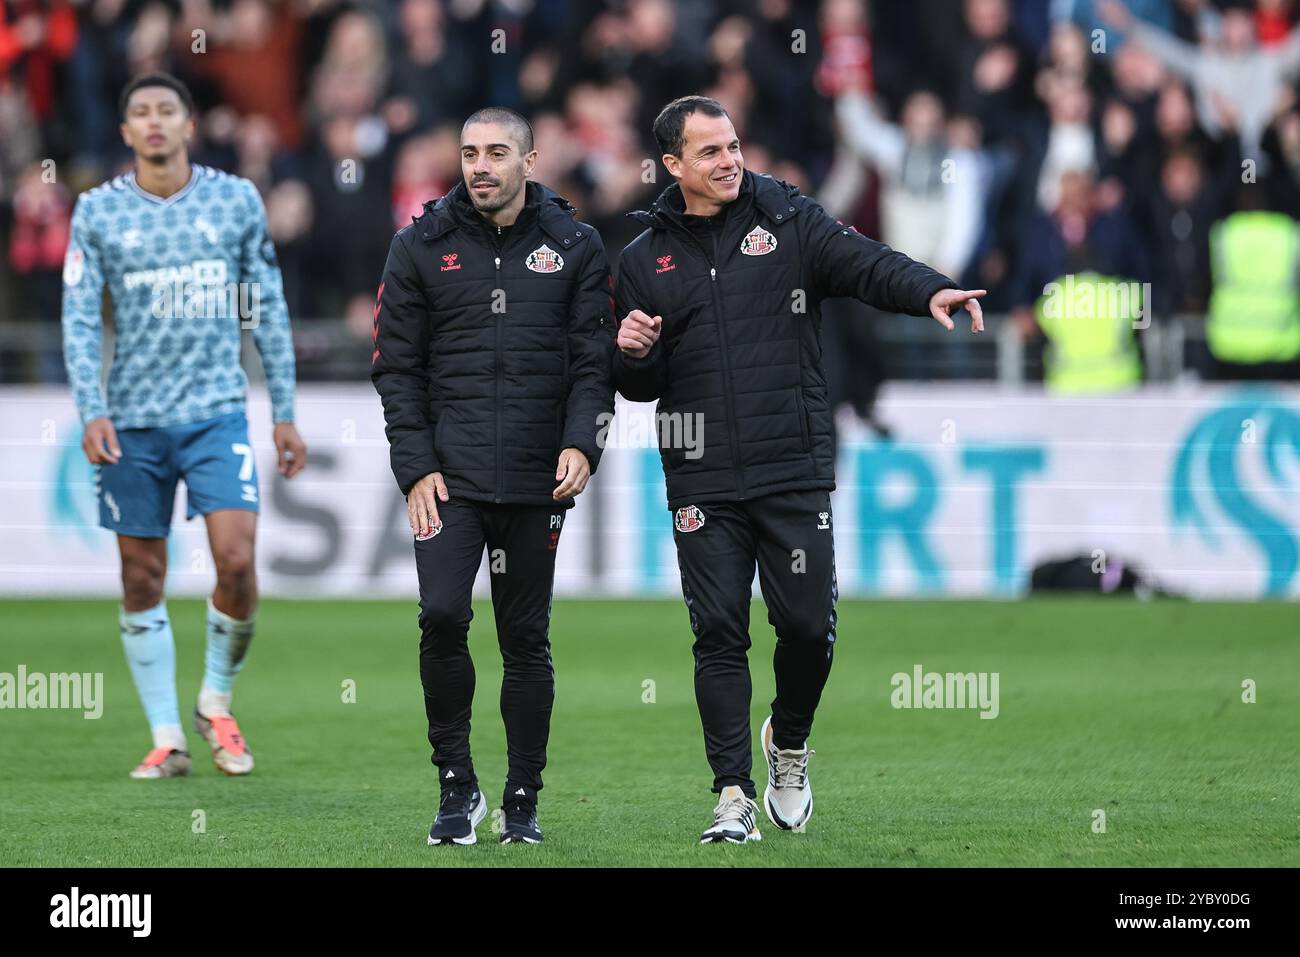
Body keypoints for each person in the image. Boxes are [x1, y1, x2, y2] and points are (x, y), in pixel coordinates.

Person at [611, 95, 985, 843]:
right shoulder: (641, 258)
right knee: (718, 631)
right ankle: (731, 793)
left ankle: (787, 742)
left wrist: (929, 288)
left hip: (793, 464)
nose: (729, 160)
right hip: (702, 472)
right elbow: (639, 387)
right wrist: (632, 350)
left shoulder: (788, 220)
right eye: (709, 152)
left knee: (808, 628)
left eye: (733, 145)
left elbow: (867, 264)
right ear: (674, 165)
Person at [371, 107, 614, 846]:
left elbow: (594, 364)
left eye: (497, 152)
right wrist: (415, 467)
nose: (480, 165)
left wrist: (584, 444)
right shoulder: (419, 245)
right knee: (442, 616)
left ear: (530, 159)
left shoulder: (577, 245)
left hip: (539, 478)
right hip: (450, 478)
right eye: (470, 151)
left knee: (525, 638)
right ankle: (456, 785)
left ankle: (522, 797)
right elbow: (395, 370)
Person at [61, 72, 307, 779]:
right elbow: (79, 317)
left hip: (215, 412)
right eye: (140, 112)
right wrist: (91, 407)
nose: (155, 121)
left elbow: (267, 303)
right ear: (126, 132)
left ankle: (216, 702)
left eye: (167, 109)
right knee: (142, 574)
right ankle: (167, 736)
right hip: (132, 422)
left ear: (189, 123)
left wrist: (283, 409)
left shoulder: (234, 200)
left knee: (236, 557)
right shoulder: (97, 212)